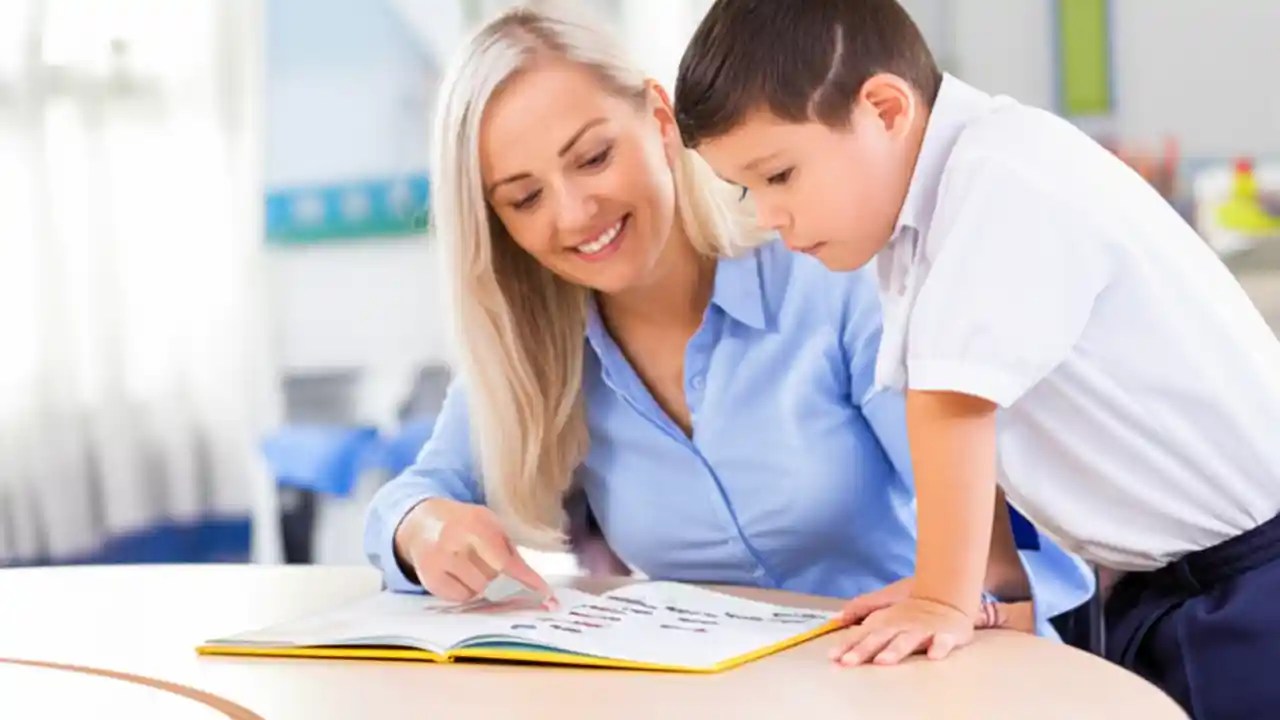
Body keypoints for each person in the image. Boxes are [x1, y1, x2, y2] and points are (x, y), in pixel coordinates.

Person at [364, 2, 1092, 642]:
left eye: (593, 157)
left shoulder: (831, 282)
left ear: (657, 119)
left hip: (928, 673)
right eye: (524, 199)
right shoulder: (541, 353)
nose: (574, 213)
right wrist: (421, 528)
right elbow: (412, 497)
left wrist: (979, 610)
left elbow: (1002, 566)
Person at [675, 0, 1280, 716]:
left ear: (884, 109)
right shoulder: (913, 218)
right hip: (1169, 586)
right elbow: (965, 413)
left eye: (779, 176)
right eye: (745, 189)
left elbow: (953, 403)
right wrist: (997, 583)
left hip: (1249, 585)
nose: (766, 217)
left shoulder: (1002, 178)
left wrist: (942, 594)